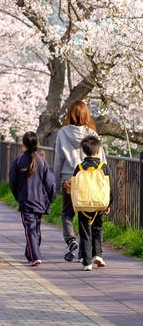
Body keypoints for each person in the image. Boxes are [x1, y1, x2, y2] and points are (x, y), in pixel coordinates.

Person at [53, 100, 105, 262]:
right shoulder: (92, 134)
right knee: (87, 216)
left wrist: (55, 183)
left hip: (68, 179)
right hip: (88, 180)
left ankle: (71, 240)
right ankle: (86, 254)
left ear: (69, 114)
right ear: (85, 114)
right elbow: (102, 160)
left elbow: (58, 160)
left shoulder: (62, 133)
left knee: (67, 213)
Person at [9, 131, 56, 267]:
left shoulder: (18, 161)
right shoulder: (42, 161)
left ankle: (35, 256)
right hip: (40, 201)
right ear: (38, 143)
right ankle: (31, 253)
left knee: (30, 229)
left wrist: (18, 197)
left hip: (26, 200)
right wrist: (51, 198)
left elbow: (13, 182)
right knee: (36, 228)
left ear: (23, 144)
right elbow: (50, 183)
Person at [71, 134, 111, 271]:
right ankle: (98, 255)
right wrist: (109, 204)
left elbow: (74, 187)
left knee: (85, 232)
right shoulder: (103, 167)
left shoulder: (79, 168)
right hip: (99, 203)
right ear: (98, 150)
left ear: (84, 151)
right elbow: (109, 188)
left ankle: (87, 262)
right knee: (98, 229)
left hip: (83, 205)